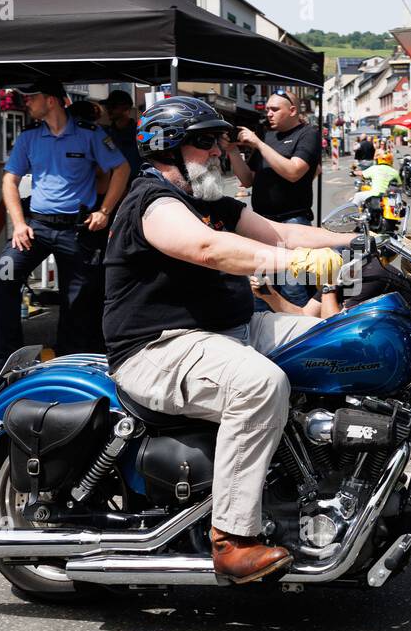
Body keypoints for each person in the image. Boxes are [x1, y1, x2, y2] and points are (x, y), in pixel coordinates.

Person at [104, 96, 351, 584]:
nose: (219, 150)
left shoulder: (210, 199)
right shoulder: (153, 202)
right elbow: (207, 248)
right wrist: (295, 264)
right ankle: (233, 537)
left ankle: (325, 480)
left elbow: (281, 233)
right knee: (259, 385)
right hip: (160, 347)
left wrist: (363, 242)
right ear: (167, 148)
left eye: (218, 140)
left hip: (229, 331)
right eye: (205, 142)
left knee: (339, 343)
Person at [0, 79, 130, 386]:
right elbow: (9, 180)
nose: (26, 102)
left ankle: (68, 360)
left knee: (78, 298)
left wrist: (104, 211)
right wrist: (19, 224)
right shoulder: (29, 136)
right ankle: (7, 360)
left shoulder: (89, 133)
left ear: (51, 100)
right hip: (38, 226)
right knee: (3, 274)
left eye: (31, 97)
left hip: (77, 229)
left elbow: (121, 169)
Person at [227, 89, 322, 308]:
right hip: (262, 222)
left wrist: (259, 144)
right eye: (267, 109)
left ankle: (299, 325)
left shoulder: (307, 134)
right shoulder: (268, 136)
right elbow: (247, 180)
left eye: (275, 109)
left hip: (292, 222)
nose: (268, 113)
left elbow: (294, 172)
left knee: (293, 288)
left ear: (293, 110)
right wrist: (231, 151)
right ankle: (265, 326)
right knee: (261, 288)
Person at [255, 234, 411, 318]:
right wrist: (269, 295)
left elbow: (332, 325)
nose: (311, 278)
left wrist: (329, 287)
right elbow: (305, 315)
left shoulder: (370, 274)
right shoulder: (339, 271)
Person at [99, 89, 141, 176]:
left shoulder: (140, 133)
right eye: (107, 106)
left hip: (136, 181)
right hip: (114, 181)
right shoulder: (105, 134)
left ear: (126, 109)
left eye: (113, 106)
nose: (109, 110)